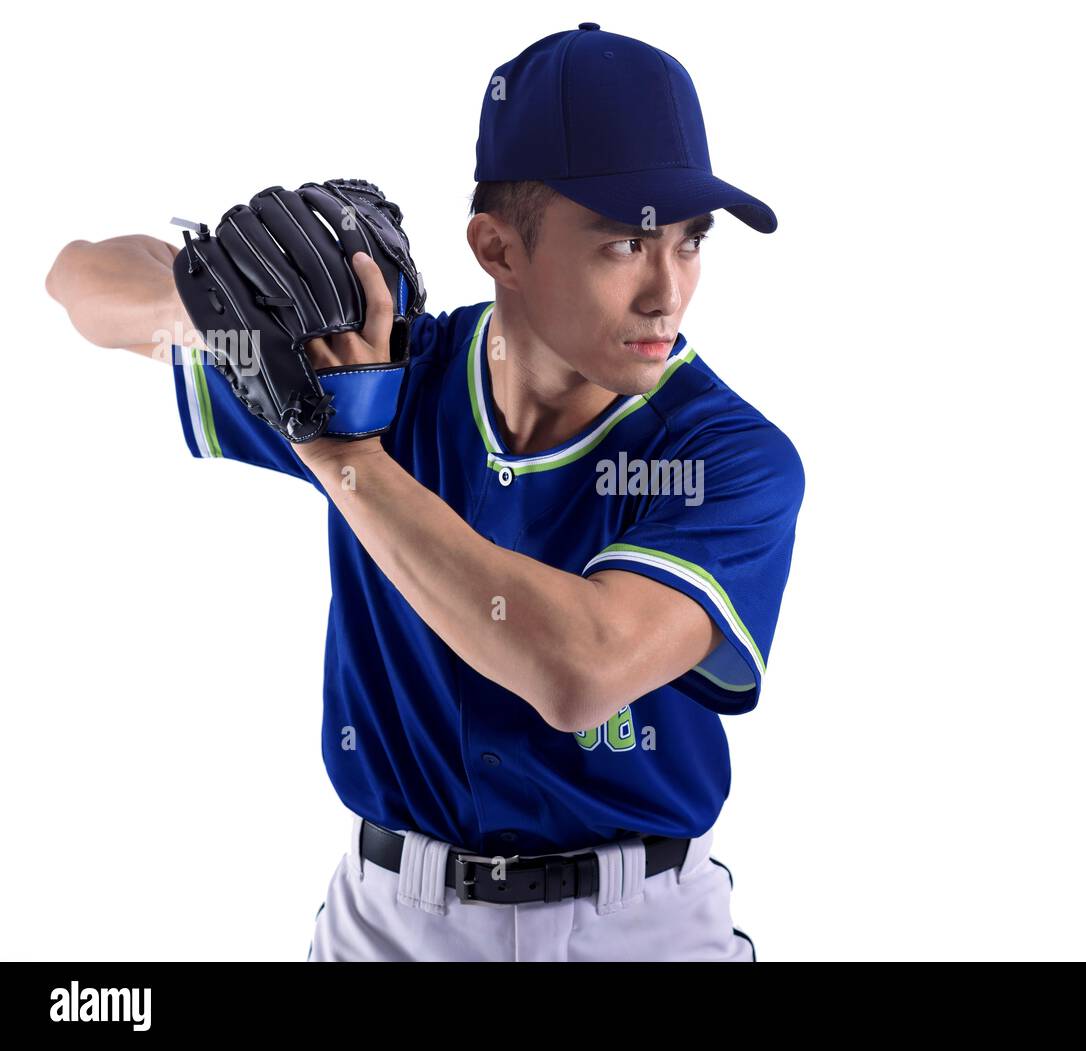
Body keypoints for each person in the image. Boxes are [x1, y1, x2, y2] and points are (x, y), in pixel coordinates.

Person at [44, 22, 803, 963]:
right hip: (391, 925)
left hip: (639, 928)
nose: (668, 292)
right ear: (499, 247)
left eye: (691, 242)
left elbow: (578, 671)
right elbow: (79, 278)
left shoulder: (727, 454)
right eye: (625, 245)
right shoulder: (383, 376)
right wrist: (219, 320)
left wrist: (340, 454)